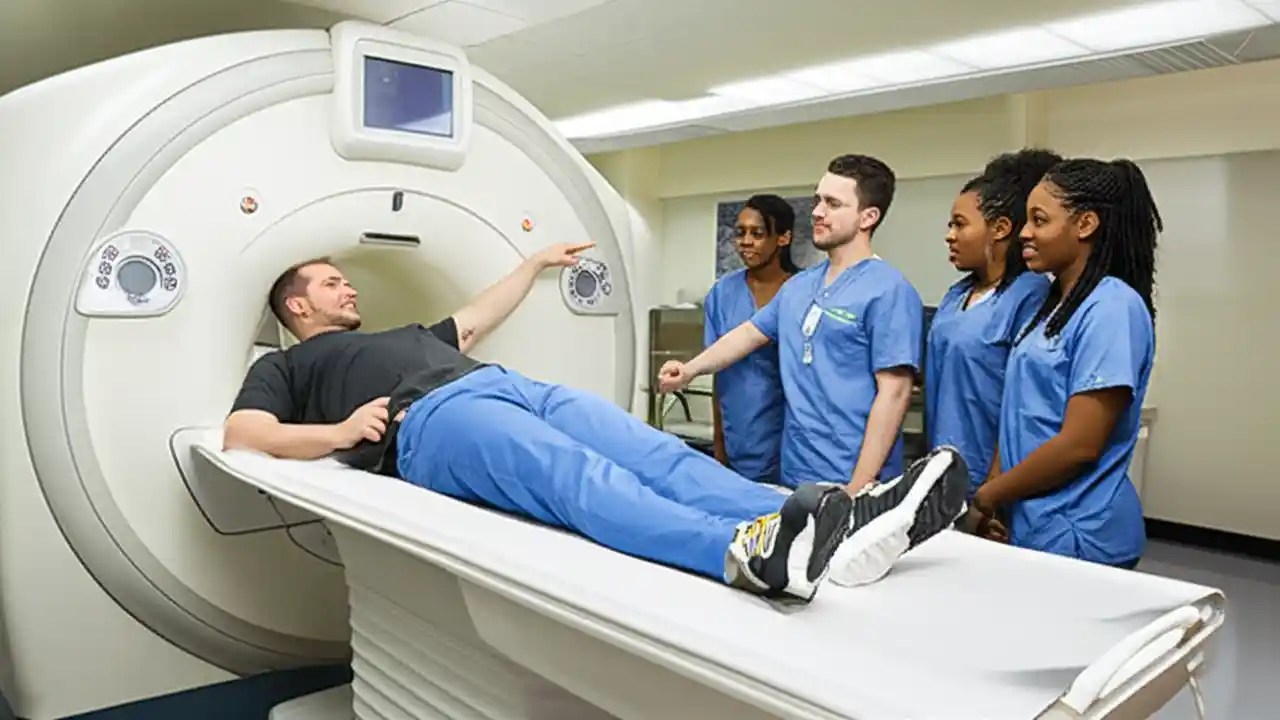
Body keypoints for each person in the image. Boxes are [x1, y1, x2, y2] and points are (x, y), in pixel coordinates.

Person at [223, 244, 964, 603]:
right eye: (330, 281)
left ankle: (840, 522)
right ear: (296, 306)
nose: (346, 285)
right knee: (582, 481)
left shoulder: (404, 332)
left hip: (508, 386)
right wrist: (342, 430)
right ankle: (739, 554)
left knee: (660, 455)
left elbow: (480, 315)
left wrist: (534, 262)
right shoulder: (288, 368)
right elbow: (244, 434)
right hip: (433, 423)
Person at [660, 154, 924, 497]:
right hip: (795, 472)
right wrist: (689, 370)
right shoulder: (799, 287)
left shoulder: (889, 290)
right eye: (817, 200)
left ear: (867, 217)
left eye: (832, 203)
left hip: (855, 479)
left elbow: (895, 393)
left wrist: (858, 487)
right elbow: (747, 335)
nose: (817, 212)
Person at [972, 158, 1160, 569]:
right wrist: (997, 498)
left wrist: (988, 496)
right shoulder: (1050, 303)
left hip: (1082, 533)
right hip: (1031, 523)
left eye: (1039, 220)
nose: (1025, 232)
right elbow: (1019, 413)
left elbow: (1080, 445)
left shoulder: (1112, 307)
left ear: (1085, 224)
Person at [925, 149, 1057, 516]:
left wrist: (994, 491)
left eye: (959, 224)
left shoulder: (1030, 294)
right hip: (940, 471)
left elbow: (1023, 399)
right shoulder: (956, 295)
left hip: (990, 478)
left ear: (1000, 229)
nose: (949, 236)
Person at [704, 194, 797, 484]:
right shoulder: (722, 293)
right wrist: (719, 445)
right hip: (740, 437)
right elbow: (718, 372)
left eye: (757, 234)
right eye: (740, 233)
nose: (745, 241)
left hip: (794, 441)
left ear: (783, 238)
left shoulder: (803, 291)